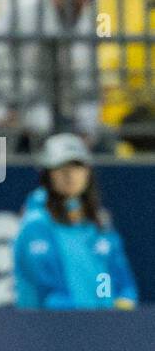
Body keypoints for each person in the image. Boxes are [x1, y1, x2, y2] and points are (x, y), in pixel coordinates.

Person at [0, 0, 102, 154]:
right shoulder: (22, 10)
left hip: (58, 114)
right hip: (8, 105)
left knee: (101, 146)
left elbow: (87, 82)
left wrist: (86, 129)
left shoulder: (87, 25)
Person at [13, 133, 137, 310]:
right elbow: (50, 292)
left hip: (97, 330)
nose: (70, 175)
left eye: (77, 166)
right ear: (47, 174)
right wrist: (85, 321)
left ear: (87, 172)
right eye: (61, 167)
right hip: (48, 331)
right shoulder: (36, 225)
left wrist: (112, 308)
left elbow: (109, 277)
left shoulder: (98, 224)